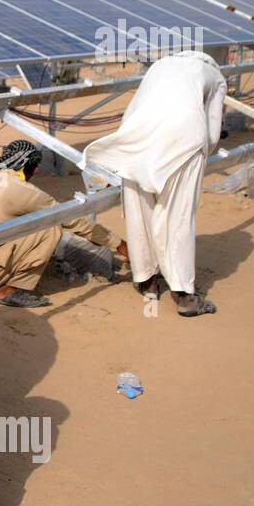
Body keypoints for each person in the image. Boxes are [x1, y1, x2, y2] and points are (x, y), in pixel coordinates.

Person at [80, 50, 226, 317]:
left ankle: (147, 280)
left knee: (138, 208)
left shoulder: (158, 67)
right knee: (177, 215)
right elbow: (213, 132)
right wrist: (205, 151)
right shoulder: (214, 76)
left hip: (136, 134)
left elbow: (135, 106)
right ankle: (184, 295)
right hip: (184, 138)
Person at [0, 140, 129, 307]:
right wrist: (119, 244)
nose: (37, 170)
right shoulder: (20, 190)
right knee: (50, 227)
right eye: (34, 166)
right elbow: (69, 218)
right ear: (25, 165)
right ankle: (1, 289)